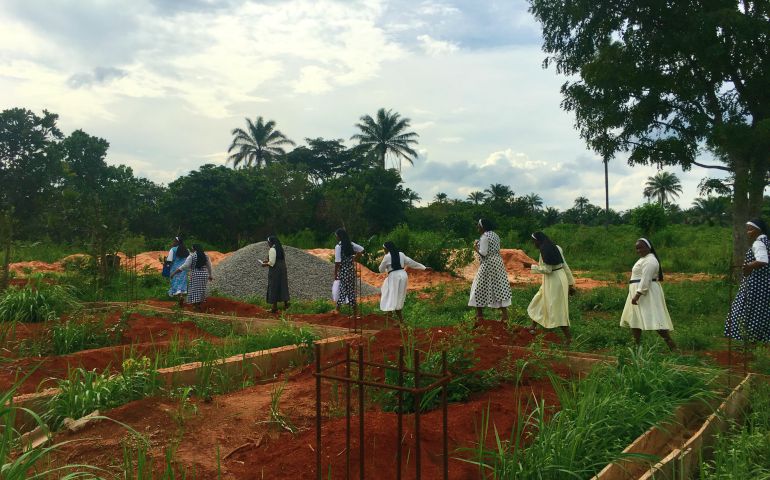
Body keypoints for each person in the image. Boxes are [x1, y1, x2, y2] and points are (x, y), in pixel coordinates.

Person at [619, 238, 675, 350]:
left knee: (655, 318)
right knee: (635, 319)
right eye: (637, 248)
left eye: (641, 247)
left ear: (648, 247)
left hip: (646, 294)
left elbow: (646, 279)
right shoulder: (644, 259)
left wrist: (637, 295)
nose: (639, 250)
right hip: (638, 292)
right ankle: (636, 346)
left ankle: (672, 346)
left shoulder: (650, 261)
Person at [522, 231, 576, 343]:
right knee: (539, 300)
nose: (534, 244)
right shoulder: (556, 248)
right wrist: (570, 283)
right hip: (557, 278)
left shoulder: (544, 251)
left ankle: (569, 338)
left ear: (538, 240)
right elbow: (565, 265)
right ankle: (533, 326)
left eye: (534, 242)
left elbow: (547, 270)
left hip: (554, 281)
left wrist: (530, 266)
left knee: (557, 308)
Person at [725, 219, 770, 343]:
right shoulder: (767, 242)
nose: (748, 232)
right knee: (761, 311)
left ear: (758, 230)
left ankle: (746, 336)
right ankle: (759, 338)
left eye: (750, 229)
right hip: (766, 283)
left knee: (743, 310)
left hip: (756, 283)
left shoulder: (758, 243)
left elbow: (762, 260)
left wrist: (748, 266)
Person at [468, 218, 511, 323]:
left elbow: (483, 253)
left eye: (478, 225)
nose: (477, 227)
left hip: (488, 264)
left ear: (482, 226)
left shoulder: (485, 237)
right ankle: (505, 315)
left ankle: (479, 315)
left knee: (478, 287)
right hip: (497, 262)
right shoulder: (495, 235)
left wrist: (475, 247)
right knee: (499, 287)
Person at [378, 241, 430, 322]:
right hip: (403, 275)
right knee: (398, 294)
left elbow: (380, 270)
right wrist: (424, 267)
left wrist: (385, 266)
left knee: (392, 294)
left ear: (387, 249)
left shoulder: (387, 257)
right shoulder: (401, 254)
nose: (384, 250)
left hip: (394, 276)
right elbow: (411, 262)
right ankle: (391, 313)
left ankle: (397, 317)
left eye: (384, 249)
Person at [172, 244, 213, 311]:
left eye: (192, 248)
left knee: (194, 291)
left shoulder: (192, 256)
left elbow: (185, 266)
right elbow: (209, 266)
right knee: (201, 290)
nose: (191, 249)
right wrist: (210, 275)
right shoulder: (206, 256)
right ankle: (199, 305)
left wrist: (174, 273)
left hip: (195, 275)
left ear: (194, 249)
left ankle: (196, 306)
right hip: (204, 275)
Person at [334, 228, 364, 315]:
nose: (336, 238)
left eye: (336, 236)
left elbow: (337, 262)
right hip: (351, 271)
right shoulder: (350, 244)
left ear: (339, 236)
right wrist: (355, 258)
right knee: (349, 290)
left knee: (343, 290)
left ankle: (340, 309)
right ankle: (352, 310)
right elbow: (361, 249)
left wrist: (335, 273)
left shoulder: (338, 247)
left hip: (343, 271)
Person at [261, 235, 290, 314]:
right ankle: (286, 305)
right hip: (282, 269)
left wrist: (264, 264)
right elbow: (277, 259)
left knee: (274, 286)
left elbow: (272, 263)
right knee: (282, 286)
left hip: (275, 270)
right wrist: (268, 261)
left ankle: (274, 308)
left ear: (271, 242)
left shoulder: (272, 249)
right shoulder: (280, 249)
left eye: (268, 242)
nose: (268, 244)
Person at [167, 236, 190, 307]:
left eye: (174, 241)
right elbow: (188, 260)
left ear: (177, 242)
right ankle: (181, 296)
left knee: (175, 282)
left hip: (175, 269)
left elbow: (169, 260)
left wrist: (167, 266)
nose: (173, 242)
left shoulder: (173, 250)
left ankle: (180, 297)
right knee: (182, 283)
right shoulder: (186, 250)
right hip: (183, 269)